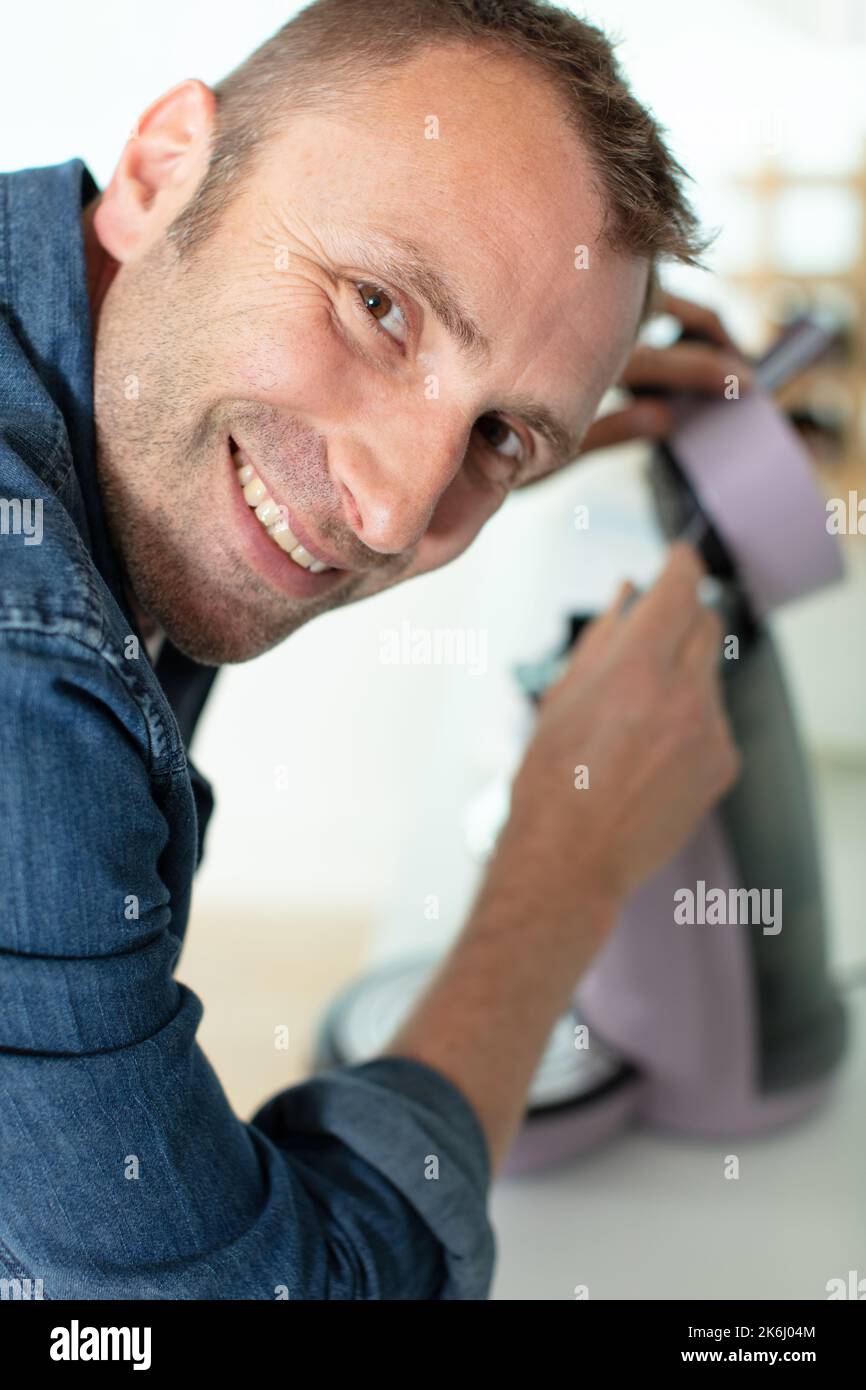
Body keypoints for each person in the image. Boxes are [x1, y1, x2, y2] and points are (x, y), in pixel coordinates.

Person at [0, 0, 743, 1300]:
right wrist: (564, 867)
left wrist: (510, 365)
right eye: (379, 307)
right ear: (164, 168)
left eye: (501, 440)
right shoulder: (24, 671)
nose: (395, 512)